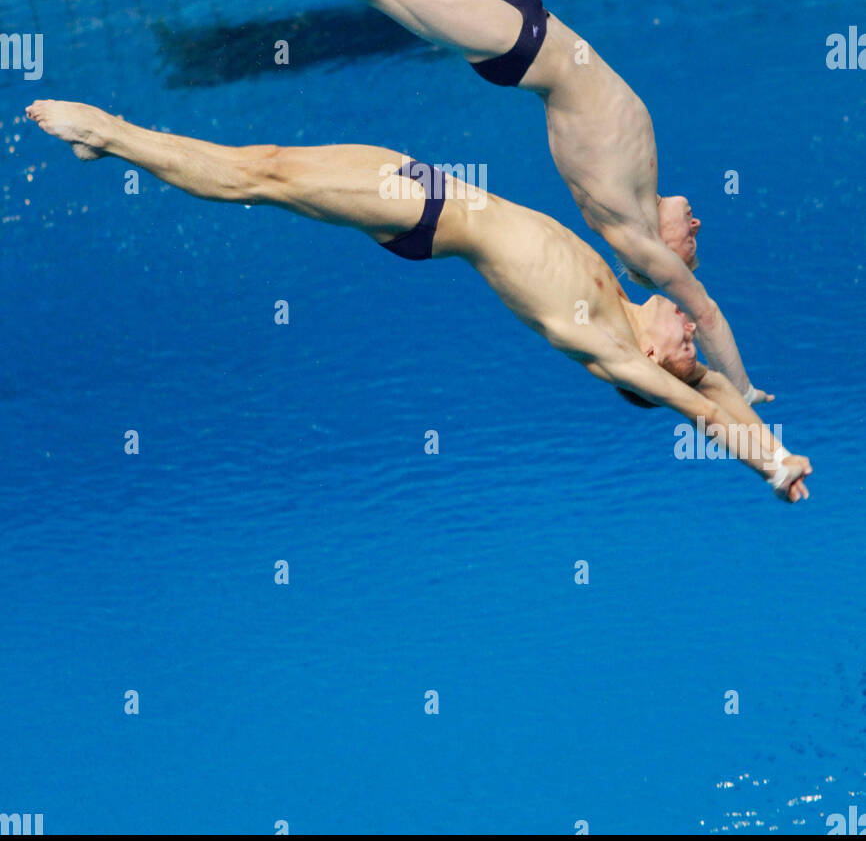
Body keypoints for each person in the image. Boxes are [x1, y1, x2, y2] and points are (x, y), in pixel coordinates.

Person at [155, 0, 765, 402]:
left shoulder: (635, 239)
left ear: (666, 263)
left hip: (522, 46)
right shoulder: (642, 187)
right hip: (530, 18)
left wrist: (743, 392)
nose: (698, 228)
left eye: (693, 250)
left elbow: (706, 317)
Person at [25, 98, 810, 502]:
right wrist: (744, 400)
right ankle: (115, 138)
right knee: (266, 170)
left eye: (687, 354)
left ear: (652, 364)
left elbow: (702, 411)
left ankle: (109, 134)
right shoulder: (625, 303)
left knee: (259, 175)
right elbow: (716, 395)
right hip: (429, 194)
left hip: (427, 213)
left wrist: (772, 466)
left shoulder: (612, 348)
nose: (692, 341)